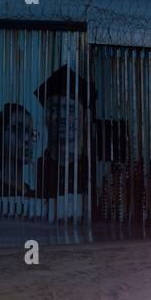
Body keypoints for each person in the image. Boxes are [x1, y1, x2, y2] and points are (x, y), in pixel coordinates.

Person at [34, 64, 93, 199]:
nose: (62, 116)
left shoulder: (91, 170)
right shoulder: (32, 170)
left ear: (84, 118)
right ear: (45, 118)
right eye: (54, 109)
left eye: (71, 110)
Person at [0, 103, 38, 198]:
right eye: (17, 129)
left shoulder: (31, 193)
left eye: (30, 132)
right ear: (0, 135)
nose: (27, 139)